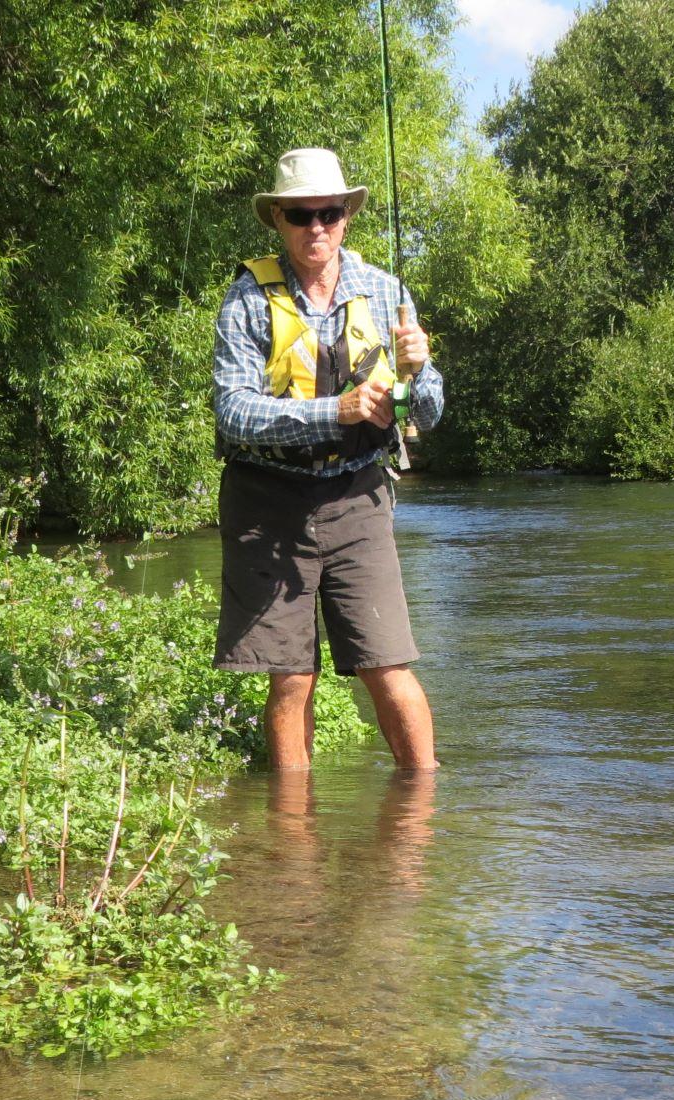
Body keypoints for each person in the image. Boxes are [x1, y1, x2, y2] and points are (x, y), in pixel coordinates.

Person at [212, 147, 444, 771]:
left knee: (387, 665)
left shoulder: (387, 291)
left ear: (346, 216)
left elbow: (427, 414)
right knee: (291, 677)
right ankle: (293, 822)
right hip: (267, 502)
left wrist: (419, 372)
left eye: (329, 213)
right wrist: (333, 412)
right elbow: (233, 412)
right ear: (278, 220)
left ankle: (423, 806)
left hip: (357, 496)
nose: (316, 227)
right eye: (300, 214)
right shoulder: (246, 298)